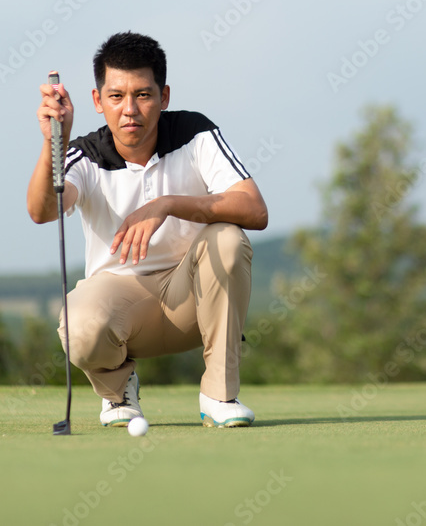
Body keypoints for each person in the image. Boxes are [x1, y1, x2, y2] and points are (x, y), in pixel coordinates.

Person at [26, 32, 268, 428]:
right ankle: (118, 390)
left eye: (143, 95)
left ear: (164, 97)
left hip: (194, 298)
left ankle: (219, 396)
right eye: (116, 96)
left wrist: (167, 204)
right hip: (122, 309)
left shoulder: (194, 132)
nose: (130, 110)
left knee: (228, 236)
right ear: (96, 101)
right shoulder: (85, 154)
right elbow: (41, 210)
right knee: (79, 327)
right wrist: (55, 140)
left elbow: (254, 209)